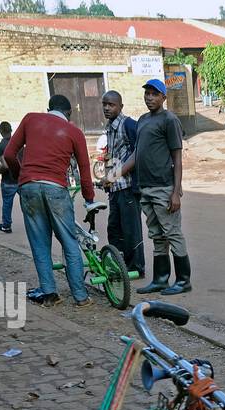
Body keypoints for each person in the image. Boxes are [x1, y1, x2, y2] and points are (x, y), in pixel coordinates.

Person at [3, 94, 95, 307]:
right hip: (56, 189)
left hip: (29, 187)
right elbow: (84, 170)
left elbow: (9, 154)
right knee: (69, 242)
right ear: (69, 114)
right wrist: (89, 198)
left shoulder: (30, 119)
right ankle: (80, 296)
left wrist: (21, 176)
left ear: (48, 108)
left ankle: (50, 293)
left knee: (39, 243)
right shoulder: (74, 132)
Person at [120, 78, 188, 295]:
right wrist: (114, 174)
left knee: (173, 233)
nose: (150, 97)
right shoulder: (142, 120)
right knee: (157, 235)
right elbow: (136, 154)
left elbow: (177, 158)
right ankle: (160, 279)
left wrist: (176, 192)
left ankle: (184, 281)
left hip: (164, 187)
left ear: (163, 98)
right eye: (147, 93)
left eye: (154, 94)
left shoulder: (170, 120)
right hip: (145, 187)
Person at [97, 90, 143, 274]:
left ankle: (136, 268)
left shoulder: (128, 125)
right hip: (115, 189)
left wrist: (115, 175)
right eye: (104, 104)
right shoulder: (109, 128)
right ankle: (119, 266)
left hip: (128, 188)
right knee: (114, 229)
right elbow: (113, 155)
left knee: (131, 230)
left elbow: (139, 153)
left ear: (120, 107)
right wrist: (107, 177)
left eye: (111, 105)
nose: (107, 108)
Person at [0, 121, 19, 234]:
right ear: (11, 130)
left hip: (8, 181)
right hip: (21, 178)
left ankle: (6, 226)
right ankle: (37, 224)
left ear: (0, 131)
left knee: (7, 204)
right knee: (27, 203)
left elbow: (4, 165)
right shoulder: (18, 143)